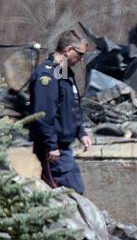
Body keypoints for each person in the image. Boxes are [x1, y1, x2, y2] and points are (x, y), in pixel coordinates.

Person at [28, 29, 93, 193]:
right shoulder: (47, 75)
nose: (81, 59)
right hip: (54, 149)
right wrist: (51, 145)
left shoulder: (64, 72)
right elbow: (43, 114)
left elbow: (71, 107)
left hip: (64, 146)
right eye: (79, 54)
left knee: (65, 193)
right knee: (73, 191)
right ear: (68, 50)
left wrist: (81, 132)